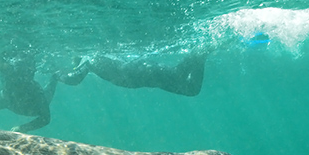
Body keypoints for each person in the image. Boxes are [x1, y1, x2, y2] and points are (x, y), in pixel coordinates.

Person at [60, 52, 207, 97]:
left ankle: (199, 51)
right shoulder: (99, 57)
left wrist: (57, 76)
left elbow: (75, 79)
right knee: (191, 90)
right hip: (142, 73)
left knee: (179, 75)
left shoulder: (88, 60)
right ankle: (201, 55)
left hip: (140, 73)